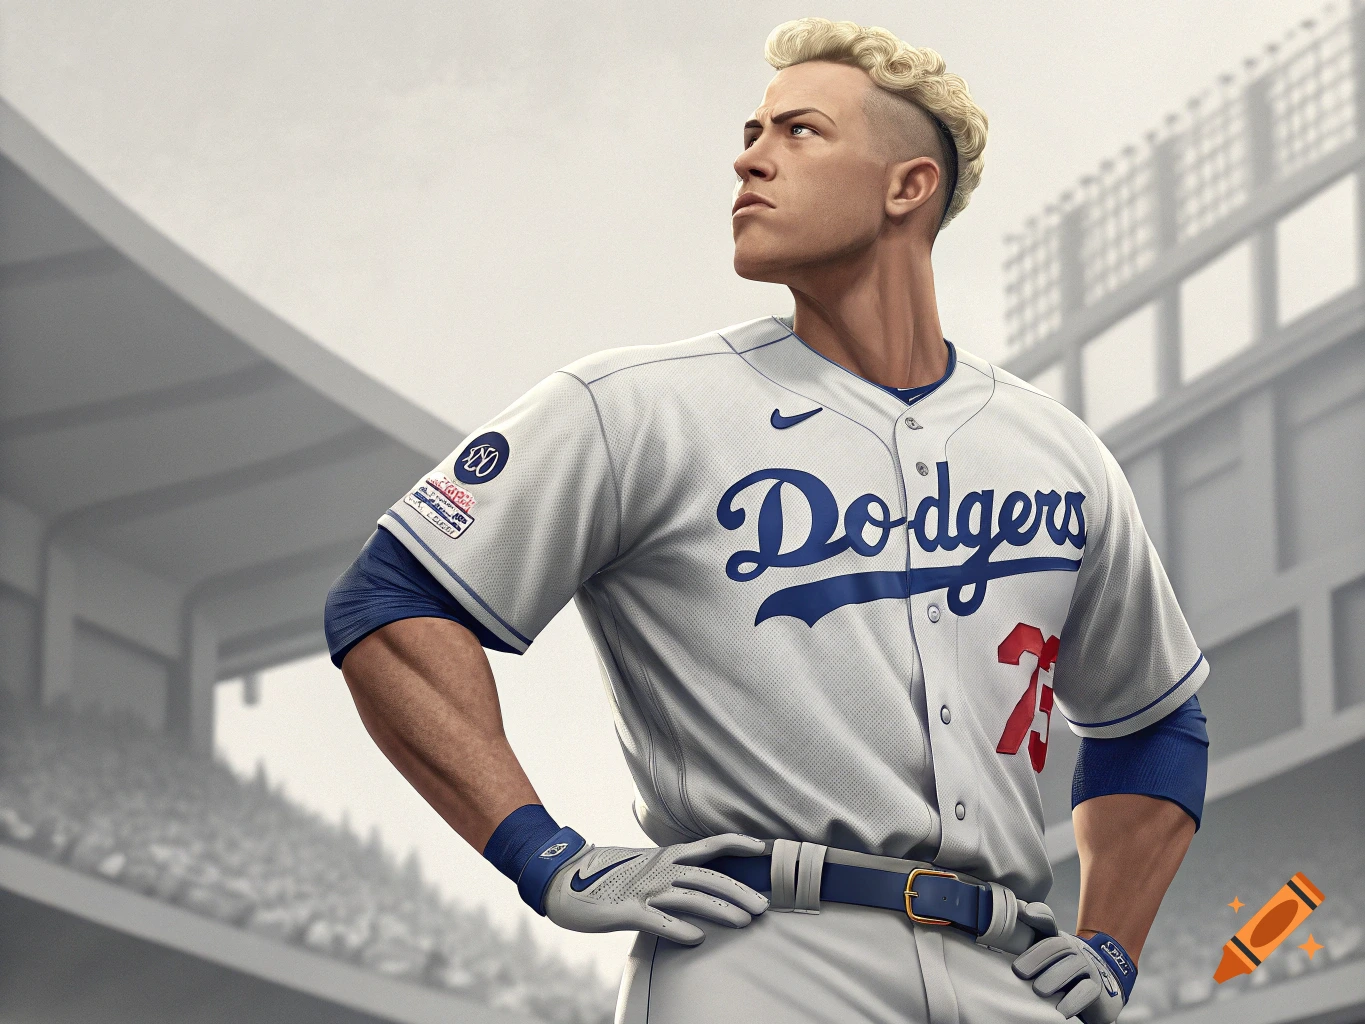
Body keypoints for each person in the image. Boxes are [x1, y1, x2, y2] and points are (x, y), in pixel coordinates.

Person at [324, 17, 1210, 1023]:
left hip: (1010, 965)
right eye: (751, 131)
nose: (748, 158)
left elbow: (1155, 720)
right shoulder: (637, 407)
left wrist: (1111, 947)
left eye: (798, 132)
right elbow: (395, 598)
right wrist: (544, 854)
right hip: (760, 950)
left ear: (907, 186)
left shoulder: (1060, 451)